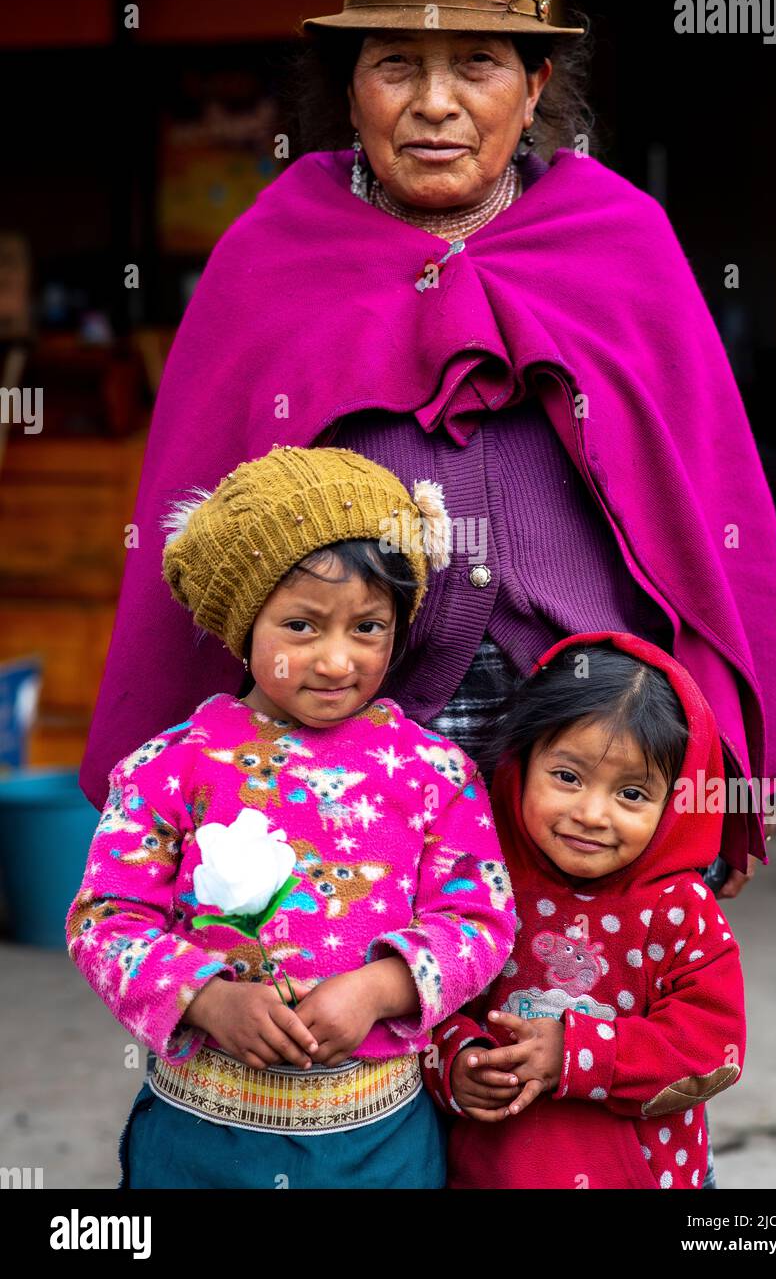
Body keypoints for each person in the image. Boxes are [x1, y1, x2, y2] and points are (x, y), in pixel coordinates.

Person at [77, 0, 776, 1186]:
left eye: (475, 62)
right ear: (345, 85)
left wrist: (695, 744)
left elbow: (701, 499)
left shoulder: (620, 243)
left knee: (558, 1046)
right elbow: (205, 527)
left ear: (534, 85)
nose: (435, 101)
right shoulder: (275, 254)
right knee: (380, 1035)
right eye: (396, 64)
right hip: (360, 723)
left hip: (576, 730)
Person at [65, 446, 516, 1189]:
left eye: (368, 628)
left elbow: (481, 920)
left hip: (382, 1146)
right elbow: (105, 920)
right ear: (245, 625)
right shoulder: (170, 767)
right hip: (203, 1143)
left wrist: (380, 989)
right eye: (303, 627)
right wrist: (206, 998)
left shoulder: (435, 772)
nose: (339, 661)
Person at [421, 631, 746, 1189]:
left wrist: (575, 1054)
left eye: (633, 794)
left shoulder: (676, 908)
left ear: (677, 803)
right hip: (489, 1172)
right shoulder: (480, 884)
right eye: (567, 777)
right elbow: (427, 1003)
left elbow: (715, 1047)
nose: (592, 814)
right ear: (521, 764)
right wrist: (456, 1063)